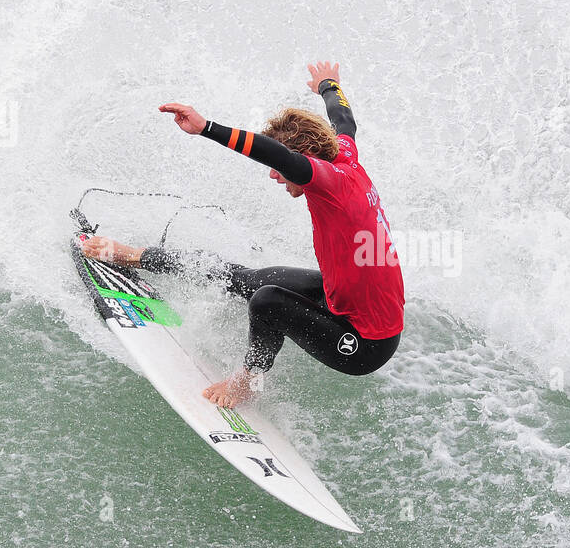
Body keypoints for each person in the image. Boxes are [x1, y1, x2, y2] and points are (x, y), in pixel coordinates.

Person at [81, 62, 404, 407]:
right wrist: (328, 84)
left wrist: (206, 127)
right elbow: (343, 119)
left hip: (364, 344)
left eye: (280, 170)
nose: (274, 176)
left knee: (268, 302)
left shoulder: (329, 180)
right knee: (246, 278)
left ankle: (250, 381)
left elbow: (273, 152)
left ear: (302, 159)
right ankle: (136, 256)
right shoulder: (344, 156)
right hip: (343, 300)